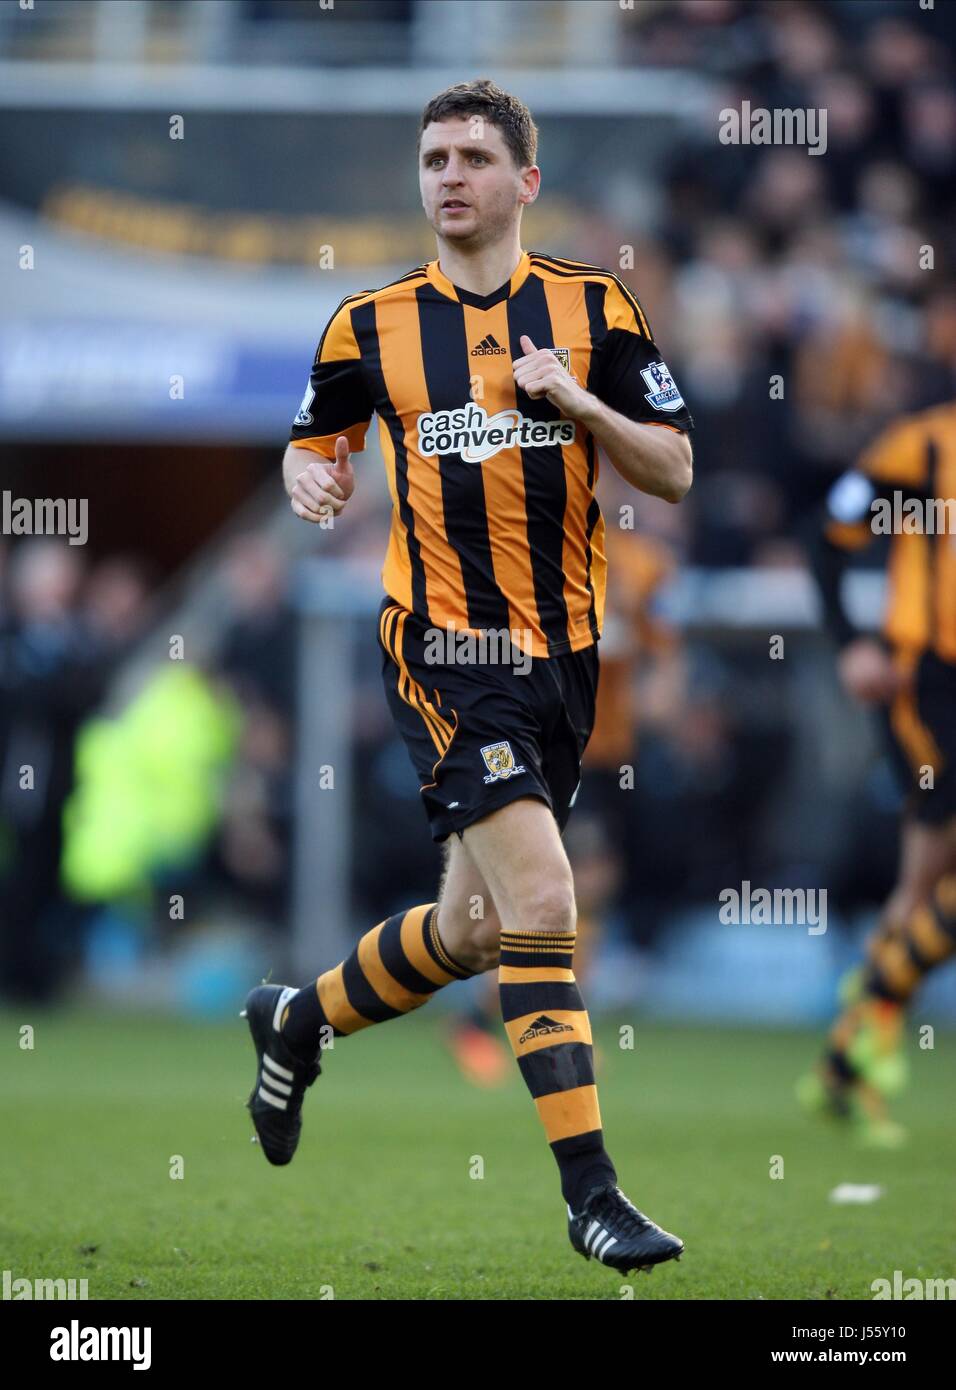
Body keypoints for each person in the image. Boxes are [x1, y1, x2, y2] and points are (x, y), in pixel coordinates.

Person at [242, 78, 694, 1275]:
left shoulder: (594, 308)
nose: (448, 175)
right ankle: (590, 1194)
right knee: (545, 904)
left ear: (523, 183)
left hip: (565, 658)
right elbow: (312, 441)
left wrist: (578, 400)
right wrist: (309, 477)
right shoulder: (368, 323)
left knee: (473, 928)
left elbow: (676, 470)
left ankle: (297, 1015)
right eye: (433, 156)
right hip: (445, 650)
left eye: (473, 157)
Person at [800, 398, 956, 1145]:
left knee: (921, 891)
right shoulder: (923, 449)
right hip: (931, 684)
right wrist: (850, 642)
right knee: (928, 879)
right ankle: (862, 1049)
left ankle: (846, 1057)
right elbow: (828, 535)